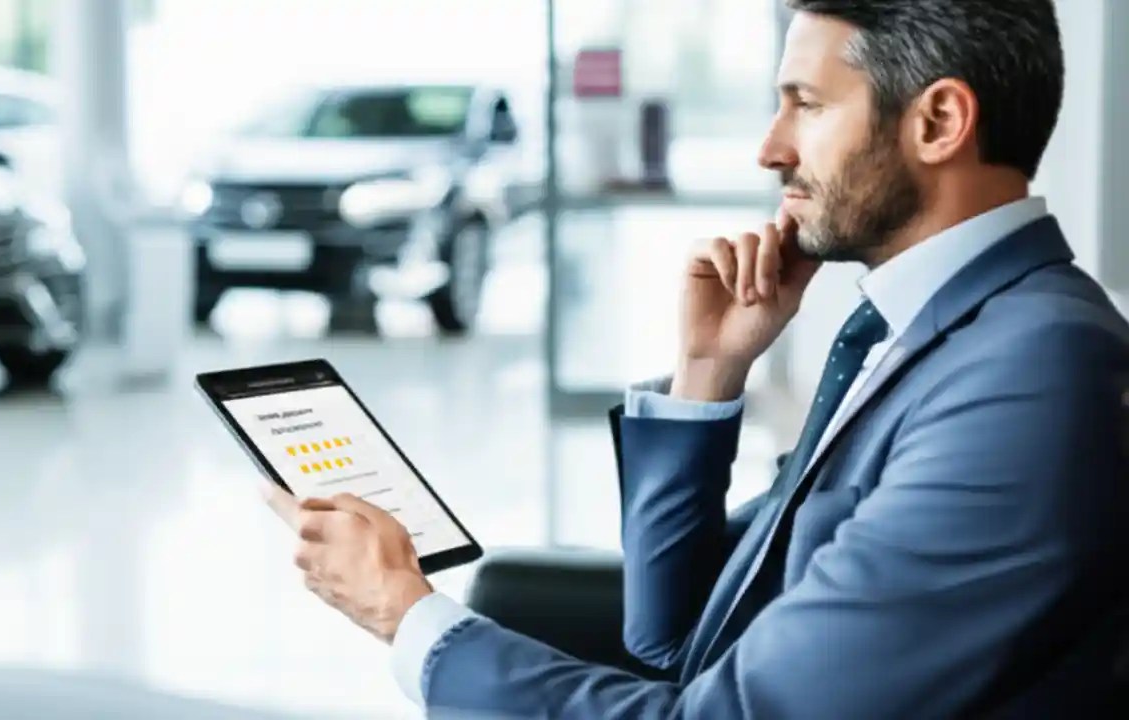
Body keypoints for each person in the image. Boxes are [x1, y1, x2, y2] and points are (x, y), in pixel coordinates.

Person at [263, 0, 1129, 716]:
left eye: (808, 103)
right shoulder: (929, 334)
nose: (771, 147)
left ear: (937, 121)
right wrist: (708, 374)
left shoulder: (1031, 376)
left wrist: (399, 613)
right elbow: (679, 638)